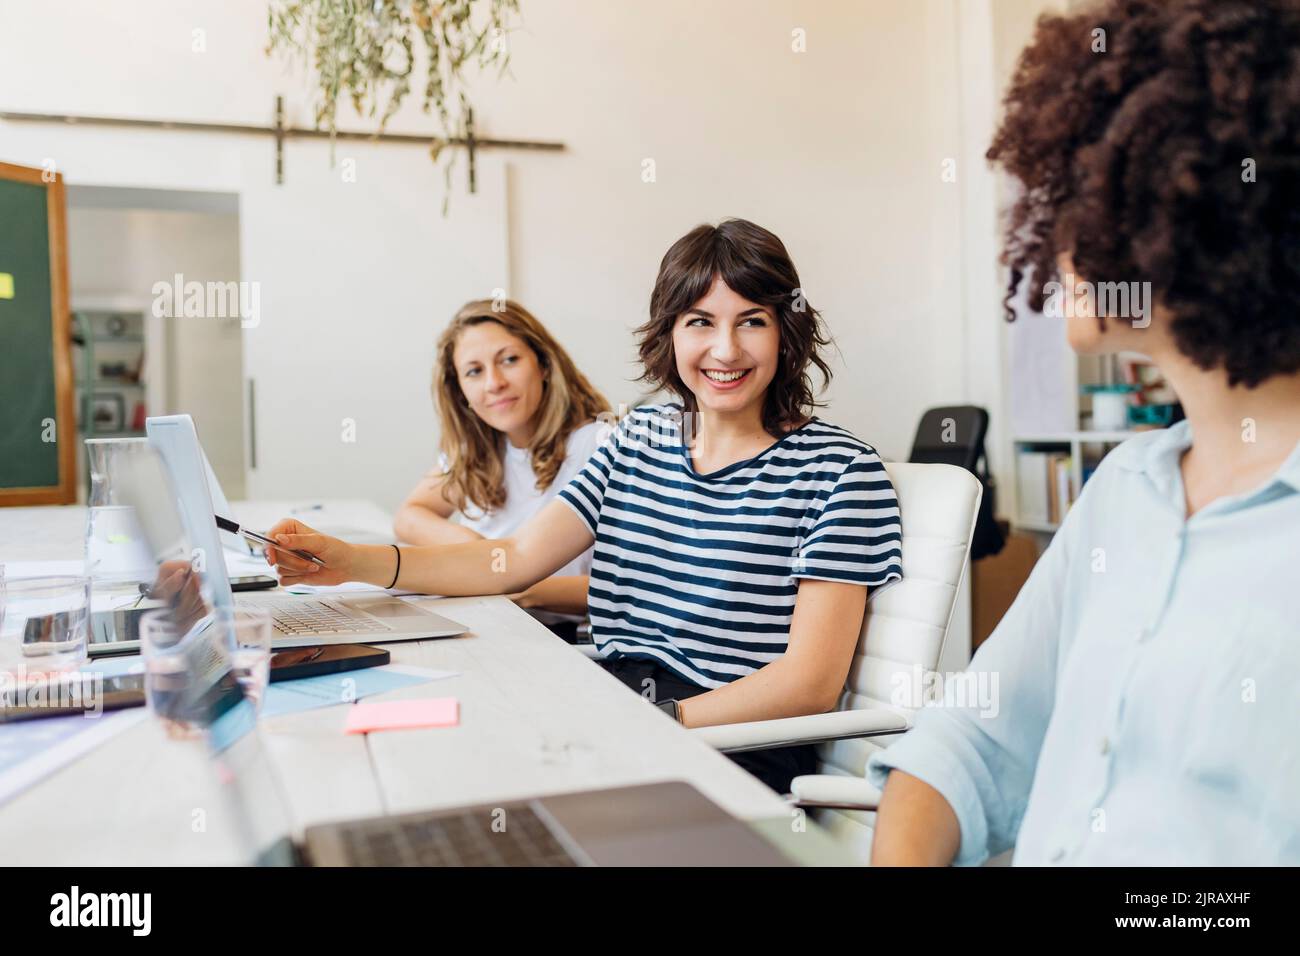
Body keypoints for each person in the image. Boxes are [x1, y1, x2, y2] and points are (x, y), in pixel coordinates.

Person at [869, 0, 1300, 865]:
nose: (1054, 235)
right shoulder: (1127, 489)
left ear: (1185, 209)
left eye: (1082, 191)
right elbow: (967, 744)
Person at [265, 219, 904, 793]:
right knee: (414, 761)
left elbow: (810, 683)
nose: (726, 349)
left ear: (785, 331)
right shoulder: (639, 438)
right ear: (671, 335)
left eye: (752, 321)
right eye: (701, 322)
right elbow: (513, 559)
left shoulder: (841, 470)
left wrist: (651, 721)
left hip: (728, 739)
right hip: (615, 696)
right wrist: (350, 561)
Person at [392, 299, 609, 620]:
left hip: (553, 636)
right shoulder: (477, 448)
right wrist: (481, 552)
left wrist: (515, 584)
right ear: (460, 390)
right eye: (474, 371)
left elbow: (638, 588)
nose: (494, 383)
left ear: (544, 364)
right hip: (488, 614)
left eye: (509, 360)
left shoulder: (598, 444)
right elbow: (409, 516)